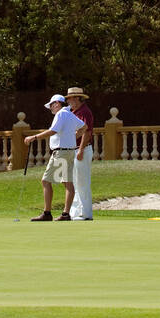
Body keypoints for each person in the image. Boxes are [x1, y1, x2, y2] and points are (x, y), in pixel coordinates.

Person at [24, 94, 85, 221]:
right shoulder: (69, 114)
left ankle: (47, 213)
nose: (51, 108)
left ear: (57, 103)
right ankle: (65, 214)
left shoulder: (61, 114)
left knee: (46, 181)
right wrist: (72, 137)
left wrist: (33, 137)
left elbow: (53, 131)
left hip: (61, 153)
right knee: (67, 182)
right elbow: (83, 127)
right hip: (68, 152)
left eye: (51, 105)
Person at [66, 86, 96, 221]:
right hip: (75, 150)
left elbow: (87, 132)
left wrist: (81, 150)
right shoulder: (73, 112)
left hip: (81, 149)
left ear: (77, 98)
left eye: (70, 98)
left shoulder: (84, 112)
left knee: (82, 183)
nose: (69, 101)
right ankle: (76, 212)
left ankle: (85, 213)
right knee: (75, 182)